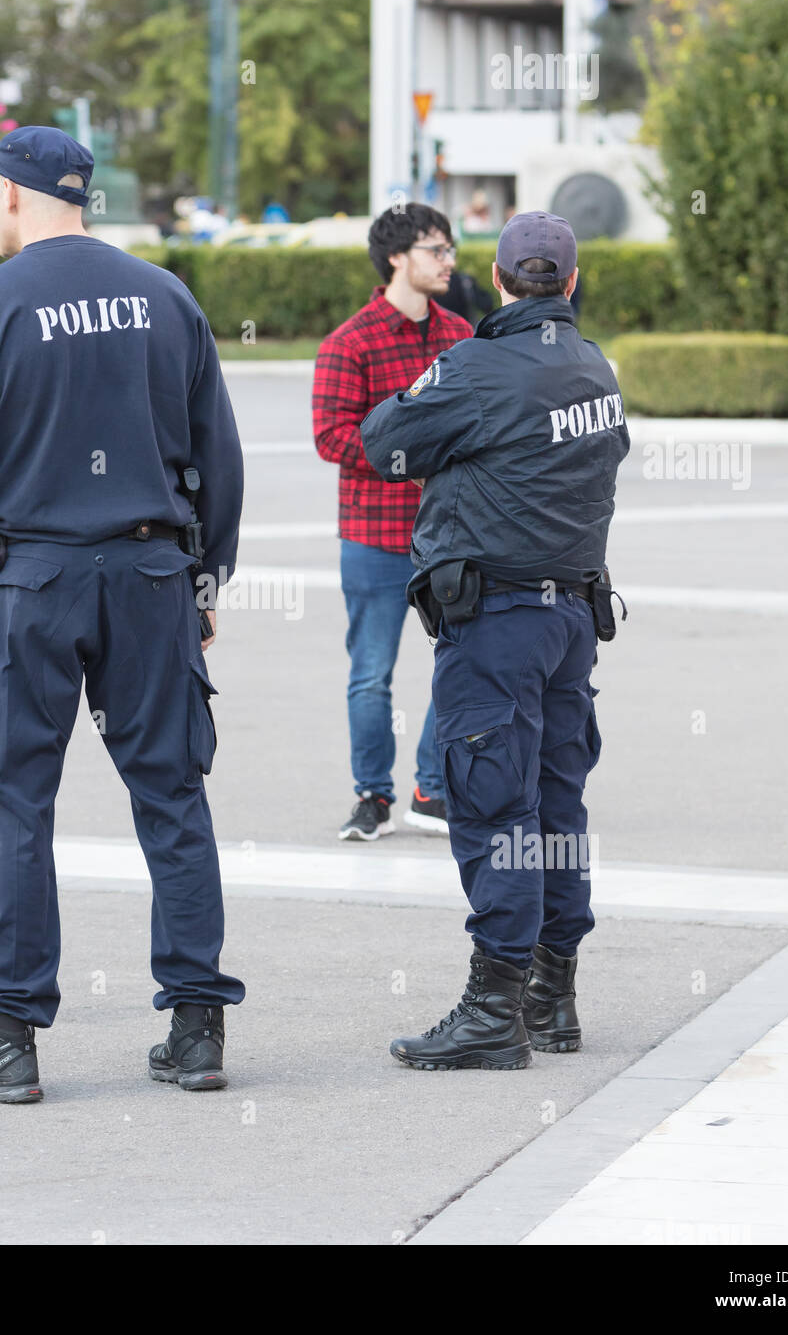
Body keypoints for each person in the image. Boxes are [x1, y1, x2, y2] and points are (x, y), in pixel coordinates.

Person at [0, 126, 245, 1104]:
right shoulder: (166, 297)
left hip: (33, 578)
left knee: (15, 799)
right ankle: (196, 1028)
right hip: (150, 574)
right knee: (173, 795)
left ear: (12, 196)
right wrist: (205, 581)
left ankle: (7, 1038)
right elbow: (217, 458)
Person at [361, 211, 630, 1070]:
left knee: (492, 803)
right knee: (557, 803)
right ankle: (554, 998)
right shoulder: (595, 368)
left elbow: (384, 443)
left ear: (502, 280)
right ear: (574, 283)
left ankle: (493, 1007)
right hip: (571, 620)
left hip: (499, 621)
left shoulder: (476, 365)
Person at [312, 203, 473, 842]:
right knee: (371, 673)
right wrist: (412, 460)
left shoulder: (461, 335)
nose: (448, 260)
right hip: (374, 539)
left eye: (450, 249)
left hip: (450, 538)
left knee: (460, 664)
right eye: (436, 249)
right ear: (398, 257)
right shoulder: (350, 342)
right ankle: (371, 795)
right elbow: (331, 436)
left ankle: (431, 789)